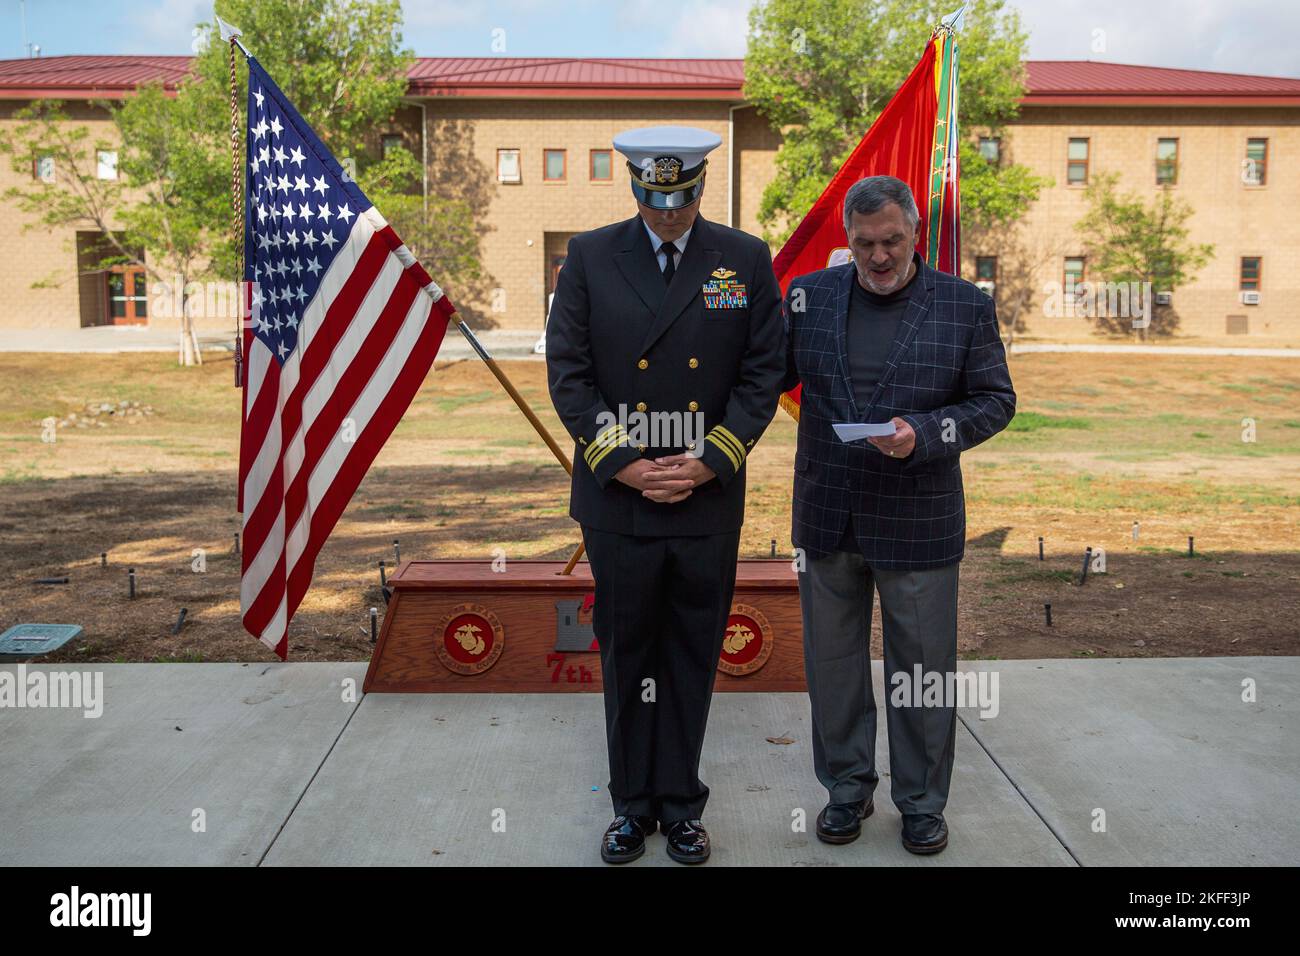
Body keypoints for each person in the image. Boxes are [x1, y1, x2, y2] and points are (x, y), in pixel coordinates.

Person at [546, 125, 784, 864]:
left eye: (680, 203)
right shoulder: (589, 256)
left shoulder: (742, 259)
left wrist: (713, 459)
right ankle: (629, 807)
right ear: (635, 191)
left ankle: (680, 804)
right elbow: (569, 370)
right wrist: (619, 462)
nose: (669, 216)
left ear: (701, 190)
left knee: (689, 651)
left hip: (705, 498)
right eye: (656, 202)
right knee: (626, 654)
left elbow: (762, 371)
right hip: (620, 500)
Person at [781, 175, 1016, 854]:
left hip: (919, 519)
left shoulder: (964, 307)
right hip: (827, 514)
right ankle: (846, 791)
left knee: (920, 670)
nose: (879, 257)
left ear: (915, 232)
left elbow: (995, 402)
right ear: (846, 240)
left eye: (891, 242)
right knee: (834, 667)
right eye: (864, 245)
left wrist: (925, 432)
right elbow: (762, 373)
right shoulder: (810, 297)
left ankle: (920, 802)